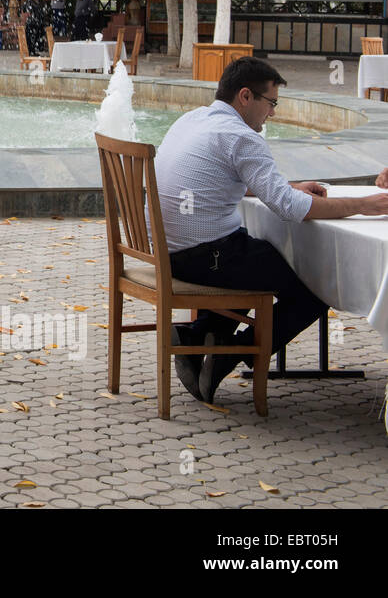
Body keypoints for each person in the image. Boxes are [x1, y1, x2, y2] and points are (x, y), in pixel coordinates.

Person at [155, 57, 388, 404]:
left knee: (258, 257)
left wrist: (288, 185)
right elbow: (290, 209)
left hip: (169, 252)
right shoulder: (240, 136)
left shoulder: (192, 119)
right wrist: (365, 205)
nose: (273, 113)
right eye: (272, 102)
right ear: (246, 96)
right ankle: (231, 355)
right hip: (206, 256)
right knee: (313, 287)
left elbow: (226, 178)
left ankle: (197, 333)